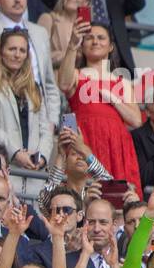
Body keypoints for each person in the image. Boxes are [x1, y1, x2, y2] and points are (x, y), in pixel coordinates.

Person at [56, 21, 142, 187]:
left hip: (115, 145)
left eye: (101, 38)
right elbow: (64, 84)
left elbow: (136, 120)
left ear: (110, 46)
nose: (95, 41)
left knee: (117, 200)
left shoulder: (121, 81)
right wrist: (72, 45)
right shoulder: (76, 74)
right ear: (82, 45)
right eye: (89, 38)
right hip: (84, 140)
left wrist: (113, 100)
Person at [0, 27, 55, 176]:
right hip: (0, 169)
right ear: (1, 51)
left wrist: (41, 157)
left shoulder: (34, 87)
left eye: (22, 51)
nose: (17, 55)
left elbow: (45, 129)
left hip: (34, 174)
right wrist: (16, 153)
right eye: (12, 49)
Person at [38, 0, 90, 68]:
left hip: (82, 79)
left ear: (86, 2)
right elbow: (39, 56)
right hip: (56, 79)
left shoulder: (88, 27)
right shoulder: (48, 19)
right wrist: (71, 54)